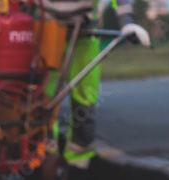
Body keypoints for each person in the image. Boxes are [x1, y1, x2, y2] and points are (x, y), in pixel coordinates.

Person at [39, 0, 150, 168]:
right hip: (46, 28)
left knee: (84, 95)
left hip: (85, 31)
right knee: (42, 94)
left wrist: (127, 22)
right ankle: (42, 152)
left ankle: (78, 160)